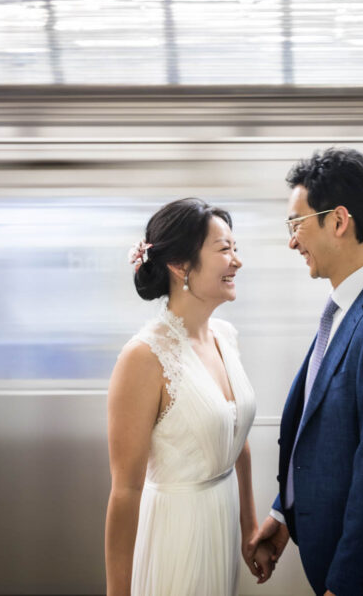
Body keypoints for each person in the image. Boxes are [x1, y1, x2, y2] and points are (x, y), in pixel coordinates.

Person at [247, 148, 363, 596]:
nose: (292, 241)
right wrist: (284, 513)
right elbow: (330, 441)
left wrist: (346, 586)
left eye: (297, 224)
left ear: (338, 221)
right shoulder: (349, 310)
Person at [105, 198, 274, 596]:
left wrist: (249, 528)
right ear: (180, 266)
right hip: (175, 534)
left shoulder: (225, 337)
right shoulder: (144, 357)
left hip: (221, 521)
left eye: (236, 248)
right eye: (224, 249)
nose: (237, 261)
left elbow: (236, 439)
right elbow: (125, 491)